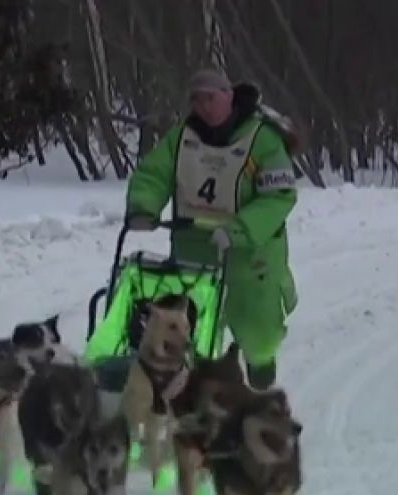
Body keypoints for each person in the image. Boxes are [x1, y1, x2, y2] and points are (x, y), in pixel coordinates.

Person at [123, 68, 301, 389]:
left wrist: (238, 229)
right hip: (195, 250)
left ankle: (260, 372)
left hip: (251, 254)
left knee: (258, 331)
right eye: (196, 99)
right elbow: (154, 173)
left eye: (211, 98)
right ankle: (198, 391)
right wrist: (143, 207)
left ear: (228, 96)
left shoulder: (262, 139)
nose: (203, 106)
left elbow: (279, 196)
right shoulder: (182, 137)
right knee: (195, 332)